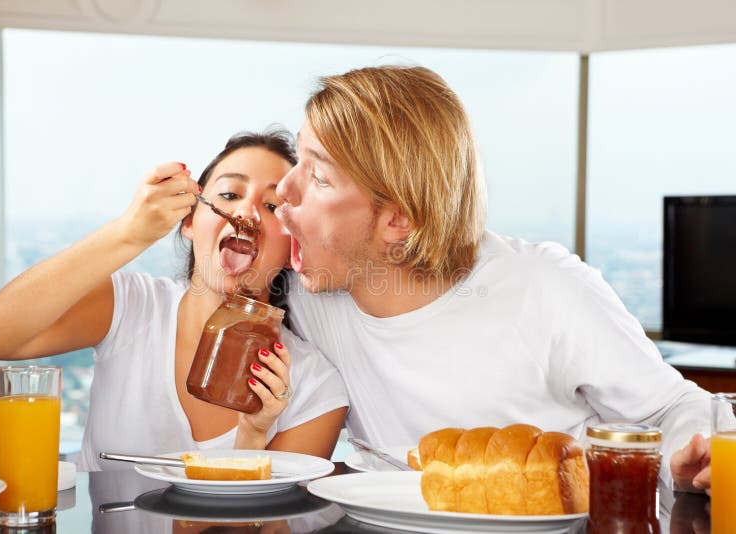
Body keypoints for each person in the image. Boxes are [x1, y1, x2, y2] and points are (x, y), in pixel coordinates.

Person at [273, 65, 712, 492]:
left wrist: (694, 454)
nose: (283, 189)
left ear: (399, 218)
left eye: (318, 176)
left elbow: (673, 406)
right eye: (298, 159)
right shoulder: (309, 295)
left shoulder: (545, 288)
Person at [0, 129, 348, 471]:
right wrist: (130, 232)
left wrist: (253, 433)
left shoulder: (315, 388)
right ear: (189, 221)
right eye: (230, 195)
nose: (245, 212)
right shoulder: (130, 306)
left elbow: (267, 523)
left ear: (293, 247)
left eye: (271, 207)